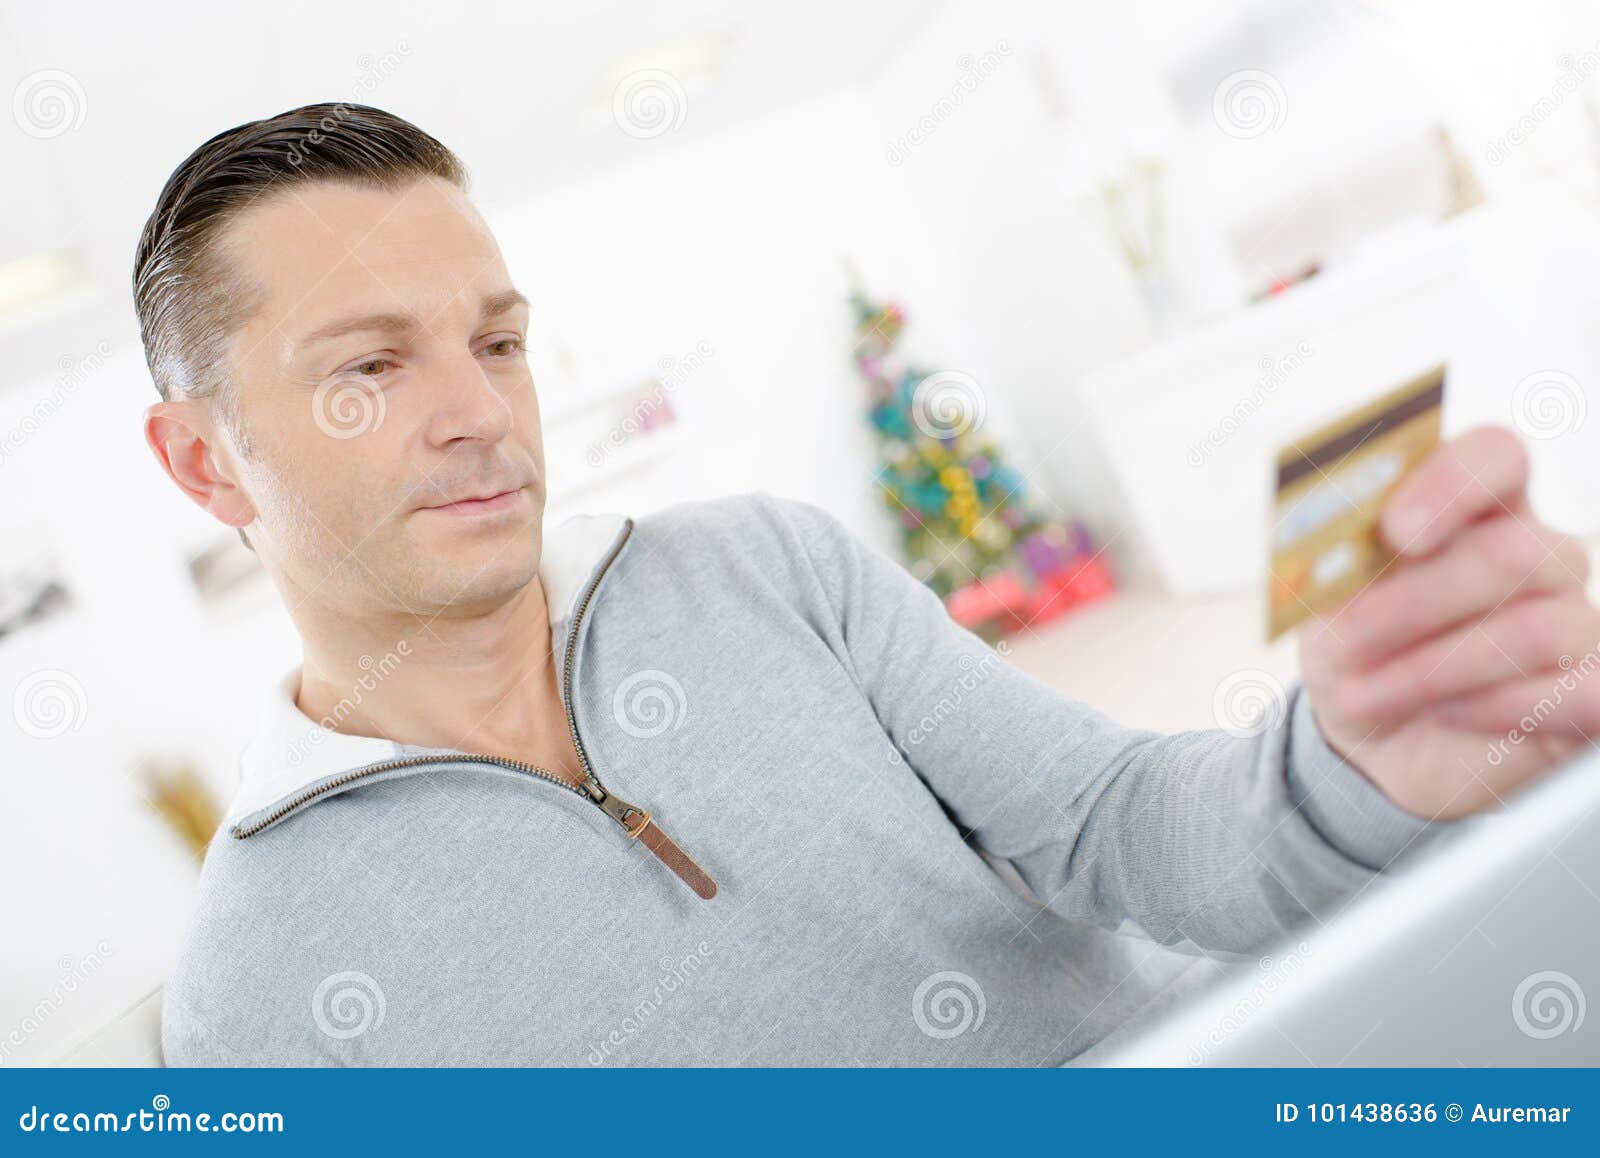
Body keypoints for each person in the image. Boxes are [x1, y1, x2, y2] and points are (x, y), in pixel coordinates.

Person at [137, 103, 1599, 1065]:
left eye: (498, 341)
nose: (481, 412)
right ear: (206, 464)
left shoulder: (767, 570)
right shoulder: (259, 981)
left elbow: (1113, 825)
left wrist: (1351, 769)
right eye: (373, 367)